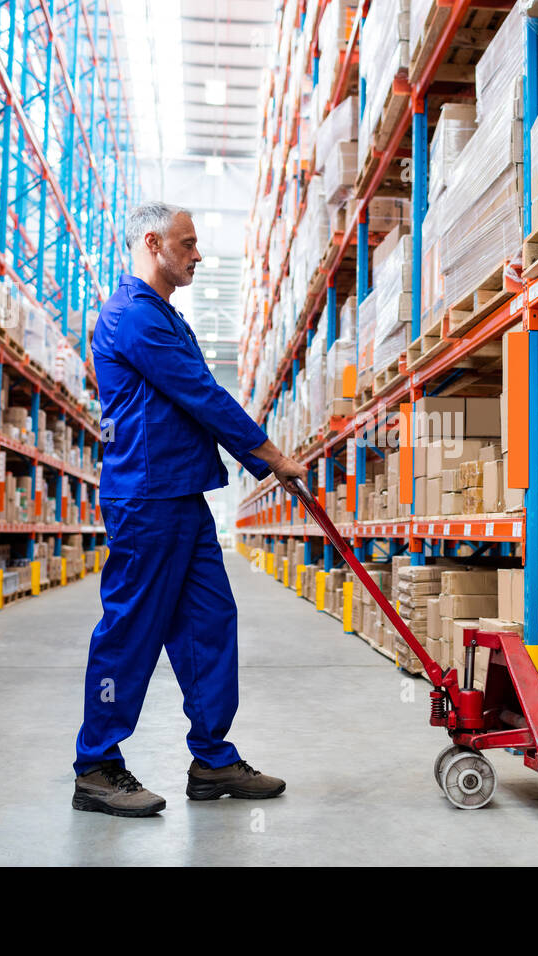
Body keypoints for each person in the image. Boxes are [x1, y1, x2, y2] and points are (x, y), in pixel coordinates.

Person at [72, 201, 306, 817]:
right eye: (188, 243)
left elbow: (195, 397)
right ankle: (96, 765)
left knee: (210, 623)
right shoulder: (133, 318)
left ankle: (213, 759)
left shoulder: (164, 316)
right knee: (131, 631)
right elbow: (201, 394)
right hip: (146, 498)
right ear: (153, 242)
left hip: (182, 496)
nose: (198, 255)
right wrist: (269, 455)